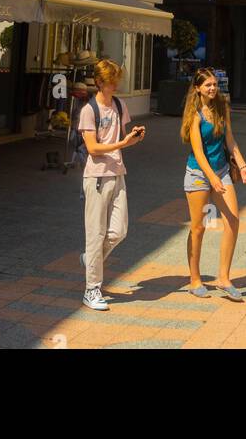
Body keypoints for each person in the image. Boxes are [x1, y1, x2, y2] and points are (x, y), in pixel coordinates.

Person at [77, 58, 145, 311]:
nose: (115, 85)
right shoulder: (88, 110)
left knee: (118, 231)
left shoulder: (119, 105)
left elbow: (120, 138)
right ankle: (91, 289)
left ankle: (90, 260)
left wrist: (133, 137)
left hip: (117, 173)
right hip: (96, 176)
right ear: (99, 82)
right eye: (110, 81)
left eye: (116, 80)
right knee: (95, 234)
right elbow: (93, 148)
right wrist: (123, 144)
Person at [181, 68, 246, 301]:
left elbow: (230, 140)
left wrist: (242, 165)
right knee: (198, 227)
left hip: (221, 170)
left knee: (233, 220)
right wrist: (211, 178)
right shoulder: (195, 114)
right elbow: (198, 152)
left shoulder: (222, 108)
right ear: (198, 89)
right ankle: (194, 280)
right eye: (208, 85)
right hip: (199, 174)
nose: (212, 88)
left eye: (214, 84)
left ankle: (223, 278)